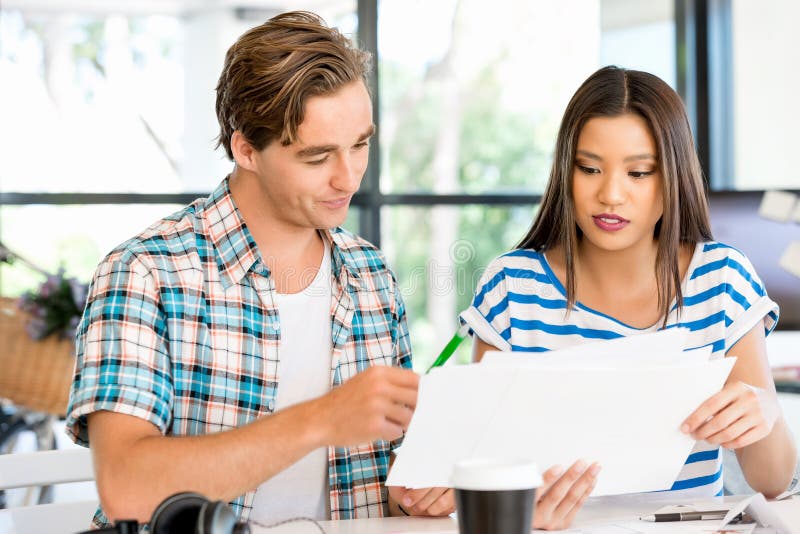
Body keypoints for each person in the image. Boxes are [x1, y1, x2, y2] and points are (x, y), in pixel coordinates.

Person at [65, 11, 453, 528]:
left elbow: (399, 477)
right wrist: (320, 419)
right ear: (245, 147)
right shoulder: (143, 273)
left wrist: (424, 487)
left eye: (360, 144)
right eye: (318, 157)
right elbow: (127, 489)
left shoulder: (370, 273)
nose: (349, 177)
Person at [467, 65, 798, 530]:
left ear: (672, 180)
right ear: (566, 173)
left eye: (639, 172)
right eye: (589, 169)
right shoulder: (512, 289)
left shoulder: (721, 280)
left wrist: (767, 415)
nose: (610, 194)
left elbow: (772, 481)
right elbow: (480, 467)